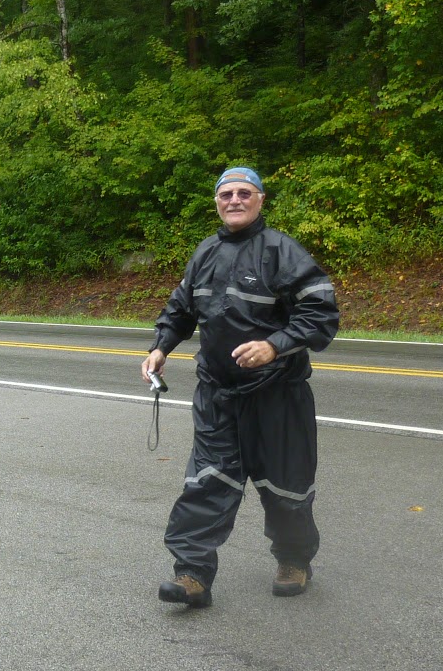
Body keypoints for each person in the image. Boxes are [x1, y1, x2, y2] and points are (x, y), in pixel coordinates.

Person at [140, 166, 339, 608]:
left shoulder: (282, 251)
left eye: (244, 193)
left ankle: (294, 561)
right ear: (216, 202)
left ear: (260, 199)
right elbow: (180, 309)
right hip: (218, 394)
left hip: (278, 396)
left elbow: (321, 315)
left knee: (286, 488)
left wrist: (273, 346)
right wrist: (160, 347)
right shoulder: (205, 252)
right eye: (226, 194)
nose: (234, 200)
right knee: (206, 482)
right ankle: (192, 574)